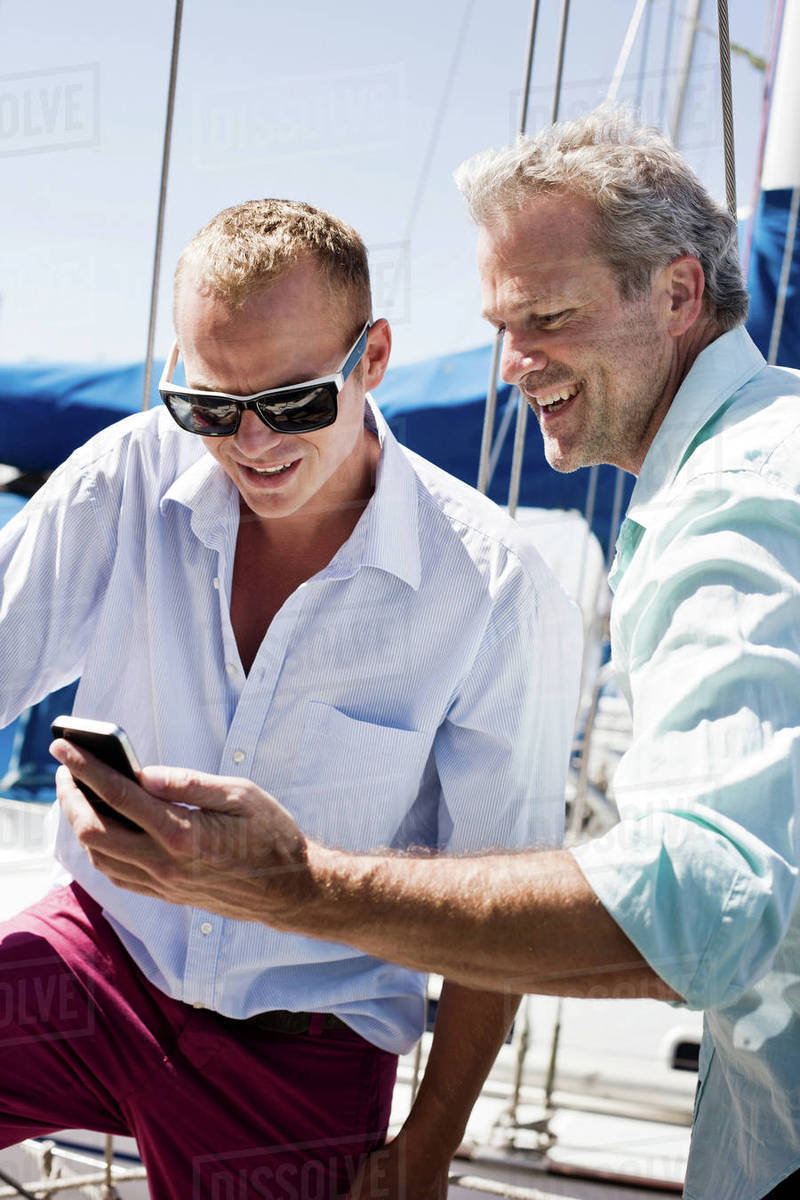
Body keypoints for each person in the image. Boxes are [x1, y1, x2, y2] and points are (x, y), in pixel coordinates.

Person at [54, 108, 800, 1200]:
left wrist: (295, 886)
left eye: (546, 317)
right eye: (501, 324)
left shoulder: (735, 504)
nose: (511, 365)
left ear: (678, 295)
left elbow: (709, 907)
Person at [0, 198, 582, 1199]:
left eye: (296, 403)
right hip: (97, 960)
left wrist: (428, 1146)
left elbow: (505, 911)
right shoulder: (130, 471)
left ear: (373, 358)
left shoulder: (492, 588)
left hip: (304, 1048)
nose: (254, 442)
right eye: (212, 408)